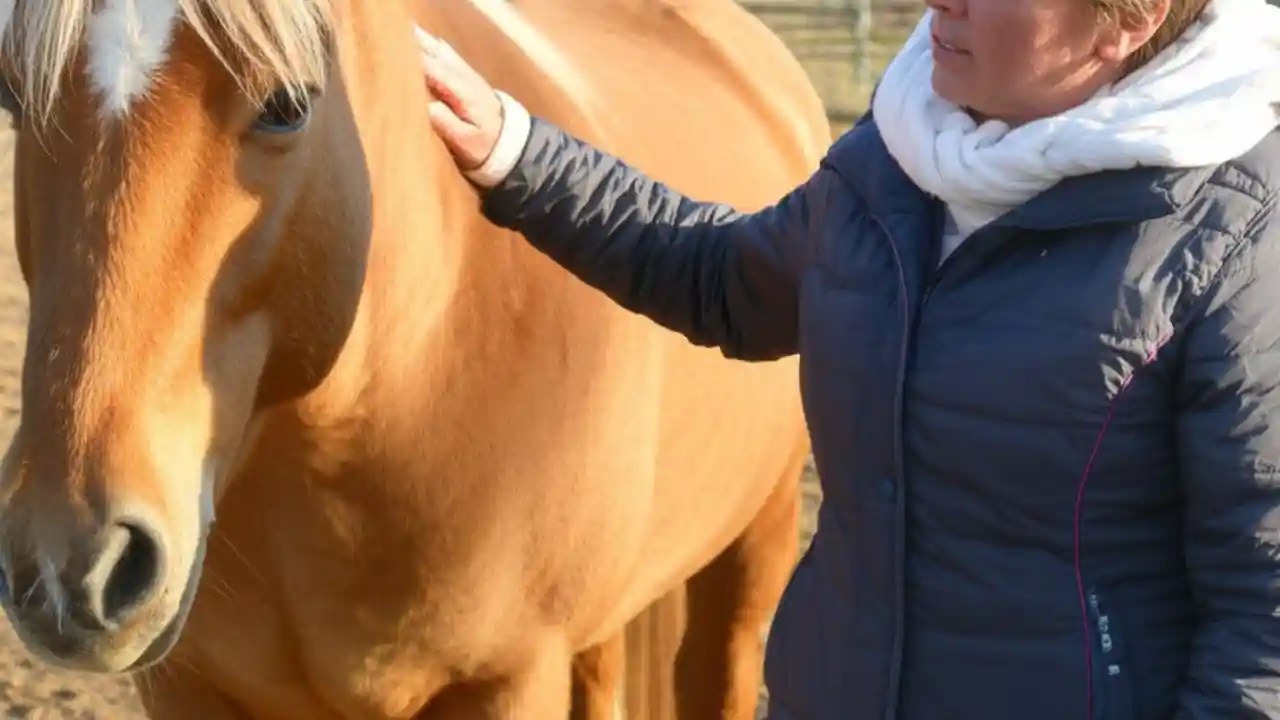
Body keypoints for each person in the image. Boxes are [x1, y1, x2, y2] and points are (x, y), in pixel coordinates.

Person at [416, 0, 1280, 717]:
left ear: (1125, 23)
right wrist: (518, 151)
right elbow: (722, 279)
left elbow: (1263, 620)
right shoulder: (901, 157)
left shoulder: (1234, 237)